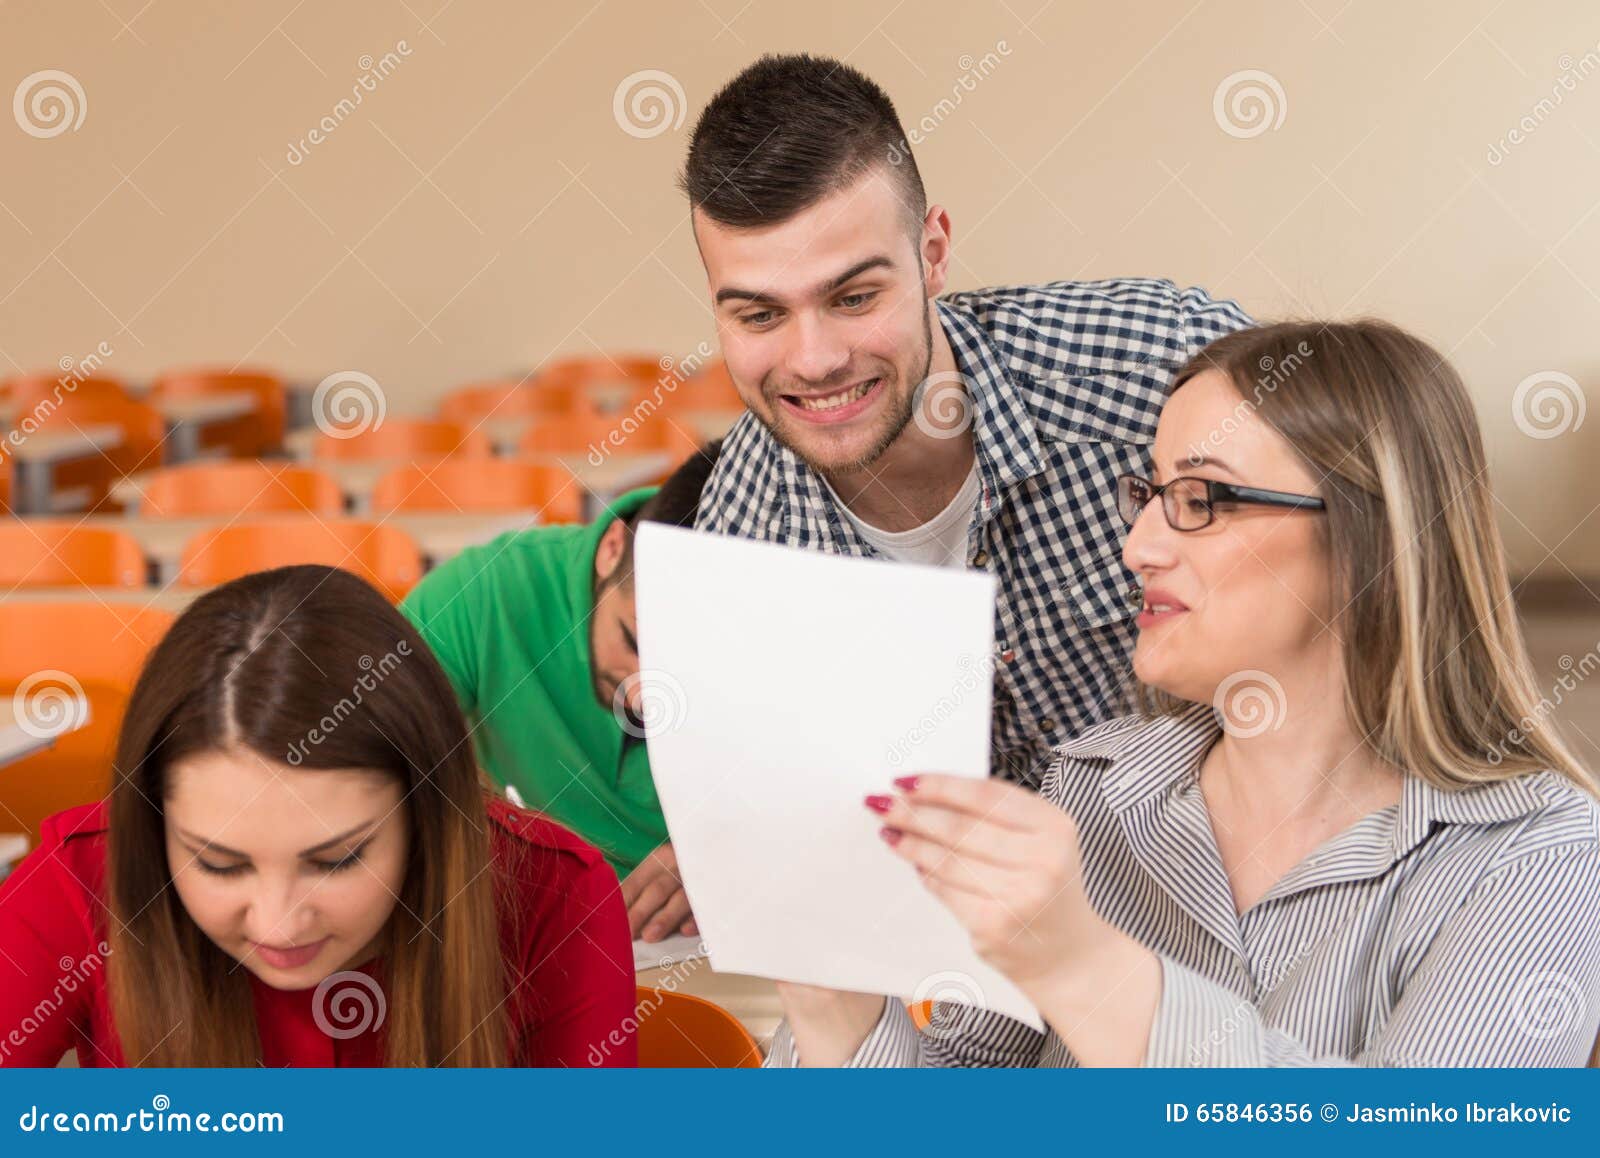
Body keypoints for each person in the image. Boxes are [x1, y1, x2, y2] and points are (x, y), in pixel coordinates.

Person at [768, 319, 1600, 1067]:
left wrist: (1085, 967)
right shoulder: (1090, 789)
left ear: (1366, 539)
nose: (1138, 547)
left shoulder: (1538, 855)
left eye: (1200, 499)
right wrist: (839, 1015)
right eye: (1151, 494)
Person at [682, 55, 1252, 784]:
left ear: (933, 255)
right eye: (760, 315)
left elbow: (1369, 532)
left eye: (854, 298)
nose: (815, 361)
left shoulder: (1157, 367)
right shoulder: (739, 550)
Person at [0, 565, 635, 1067]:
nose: (279, 926)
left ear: (425, 812)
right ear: (155, 819)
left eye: (337, 859)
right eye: (217, 863)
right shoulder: (79, 876)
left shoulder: (557, 894)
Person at [400, 442, 718, 942]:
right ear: (611, 549)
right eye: (634, 643)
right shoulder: (490, 591)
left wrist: (734, 856)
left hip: (704, 941)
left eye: (689, 673)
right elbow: (368, 753)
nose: (644, 699)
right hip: (525, 929)